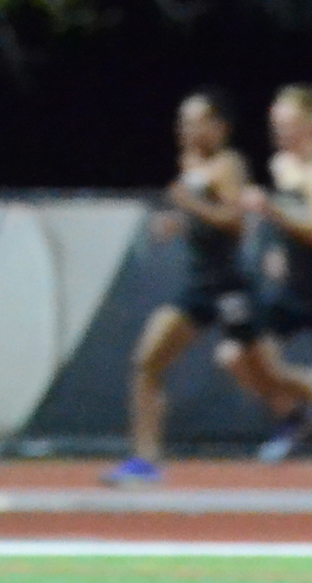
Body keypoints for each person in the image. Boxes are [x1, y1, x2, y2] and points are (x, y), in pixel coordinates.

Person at [103, 91, 254, 485]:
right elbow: (200, 218)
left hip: (230, 286)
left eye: (193, 122)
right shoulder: (189, 164)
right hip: (200, 287)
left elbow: (235, 222)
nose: (184, 130)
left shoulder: (228, 164)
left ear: (218, 127)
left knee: (267, 378)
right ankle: (146, 460)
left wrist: (189, 204)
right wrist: (177, 222)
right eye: (181, 122)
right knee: (148, 360)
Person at [234, 84, 312, 462]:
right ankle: (293, 418)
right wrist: (280, 251)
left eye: (289, 124)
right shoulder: (282, 166)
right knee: (234, 355)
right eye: (275, 125)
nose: (280, 133)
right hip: (296, 288)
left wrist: (271, 210)